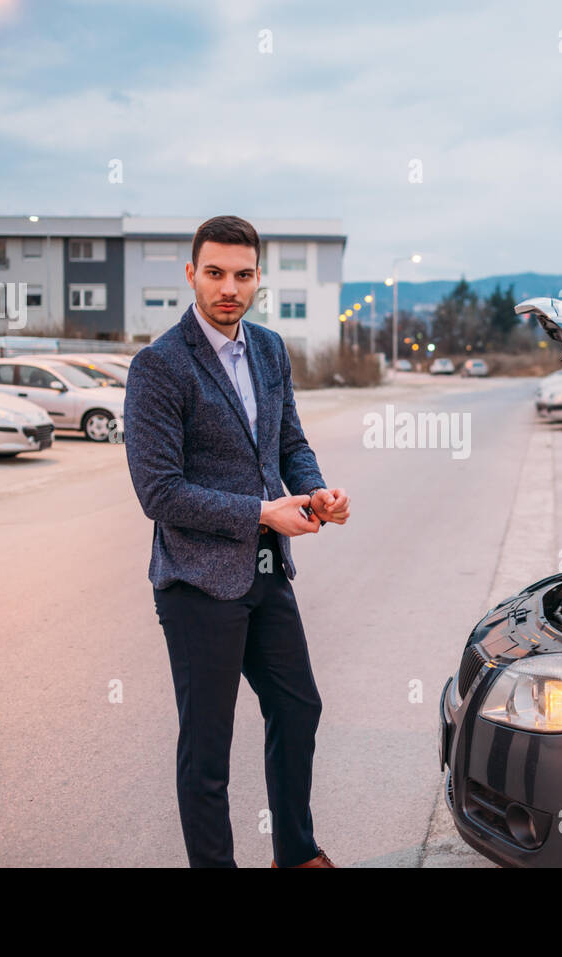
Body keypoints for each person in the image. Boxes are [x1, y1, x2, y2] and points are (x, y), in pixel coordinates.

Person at [124, 215, 350, 867]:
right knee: (208, 751)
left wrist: (317, 495)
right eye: (215, 272)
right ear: (191, 274)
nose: (229, 287)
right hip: (197, 583)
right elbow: (159, 493)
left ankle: (296, 852)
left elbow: (290, 445)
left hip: (265, 573)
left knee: (298, 705)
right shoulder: (160, 366)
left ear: (258, 279)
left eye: (243, 274)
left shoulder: (272, 350)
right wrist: (260, 512)